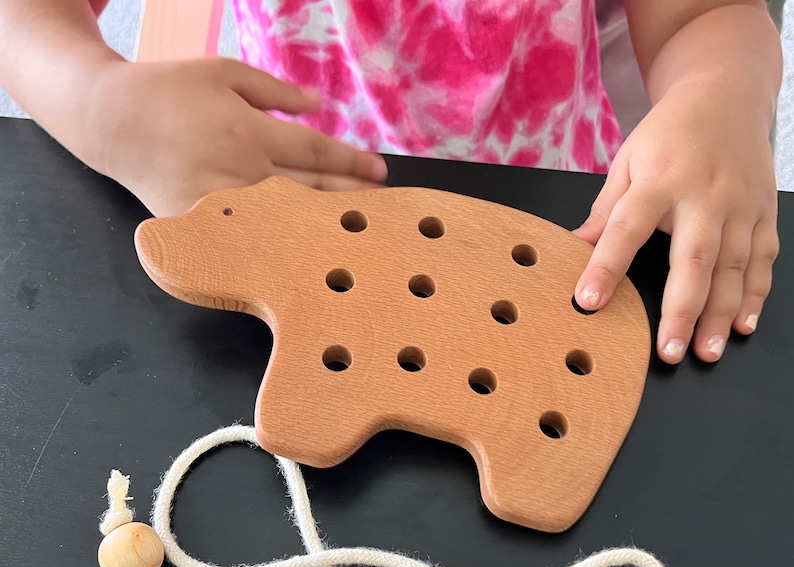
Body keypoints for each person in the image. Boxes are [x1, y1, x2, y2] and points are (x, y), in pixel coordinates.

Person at [0, 1, 782, 366]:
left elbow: (699, 16)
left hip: (558, 218)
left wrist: (725, 95)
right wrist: (101, 101)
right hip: (277, 195)